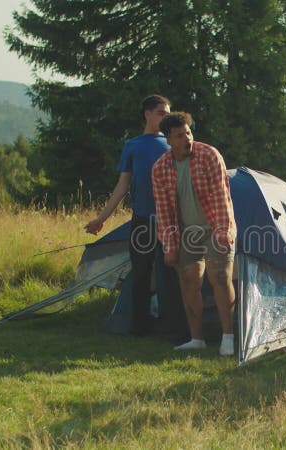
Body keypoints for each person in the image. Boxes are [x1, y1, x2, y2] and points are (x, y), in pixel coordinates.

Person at [84, 94, 185, 338]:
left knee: (171, 272)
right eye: (161, 112)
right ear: (147, 114)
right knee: (141, 274)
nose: (166, 117)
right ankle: (140, 326)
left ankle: (174, 327)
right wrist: (101, 219)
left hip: (170, 220)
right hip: (141, 220)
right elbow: (122, 186)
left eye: (168, 113)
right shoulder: (133, 145)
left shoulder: (173, 142)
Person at [152, 112, 238, 356]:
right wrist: (169, 246)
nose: (187, 139)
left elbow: (221, 197)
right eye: (179, 136)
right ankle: (196, 338)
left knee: (220, 277)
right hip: (186, 231)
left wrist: (222, 234)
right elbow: (164, 210)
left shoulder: (209, 155)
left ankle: (228, 337)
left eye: (188, 133)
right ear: (168, 140)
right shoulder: (160, 168)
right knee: (189, 282)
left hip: (215, 226)